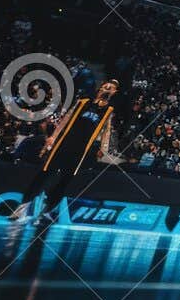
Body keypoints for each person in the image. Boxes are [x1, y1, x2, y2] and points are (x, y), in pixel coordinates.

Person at [13, 79, 120, 222]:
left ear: (114, 92)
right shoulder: (83, 102)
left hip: (81, 149)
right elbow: (66, 119)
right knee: (45, 173)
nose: (107, 89)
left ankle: (47, 210)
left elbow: (106, 130)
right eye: (106, 86)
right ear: (100, 88)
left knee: (65, 180)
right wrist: (53, 136)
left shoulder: (109, 111)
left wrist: (103, 147)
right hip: (64, 143)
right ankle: (22, 208)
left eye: (111, 88)